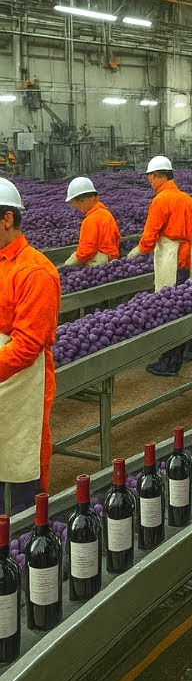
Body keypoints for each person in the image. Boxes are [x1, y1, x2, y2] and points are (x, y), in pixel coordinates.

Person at [0, 179, 59, 514]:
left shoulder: (35, 272)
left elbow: (25, 348)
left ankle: (26, 531)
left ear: (7, 219)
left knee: (22, 472)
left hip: (21, 387)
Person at [130, 156, 192, 376]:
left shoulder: (161, 200)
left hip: (171, 256)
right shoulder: (186, 198)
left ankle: (170, 362)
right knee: (184, 302)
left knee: (169, 308)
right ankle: (190, 349)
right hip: (185, 256)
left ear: (160, 176)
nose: (149, 181)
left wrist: (141, 249)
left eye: (151, 177)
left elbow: (151, 231)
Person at [62, 176, 121, 267]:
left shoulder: (91, 220)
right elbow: (117, 237)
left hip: (99, 261)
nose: (77, 206)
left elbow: (87, 250)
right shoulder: (106, 213)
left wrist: (67, 265)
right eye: (74, 203)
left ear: (91, 198)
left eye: (79, 202)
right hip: (113, 258)